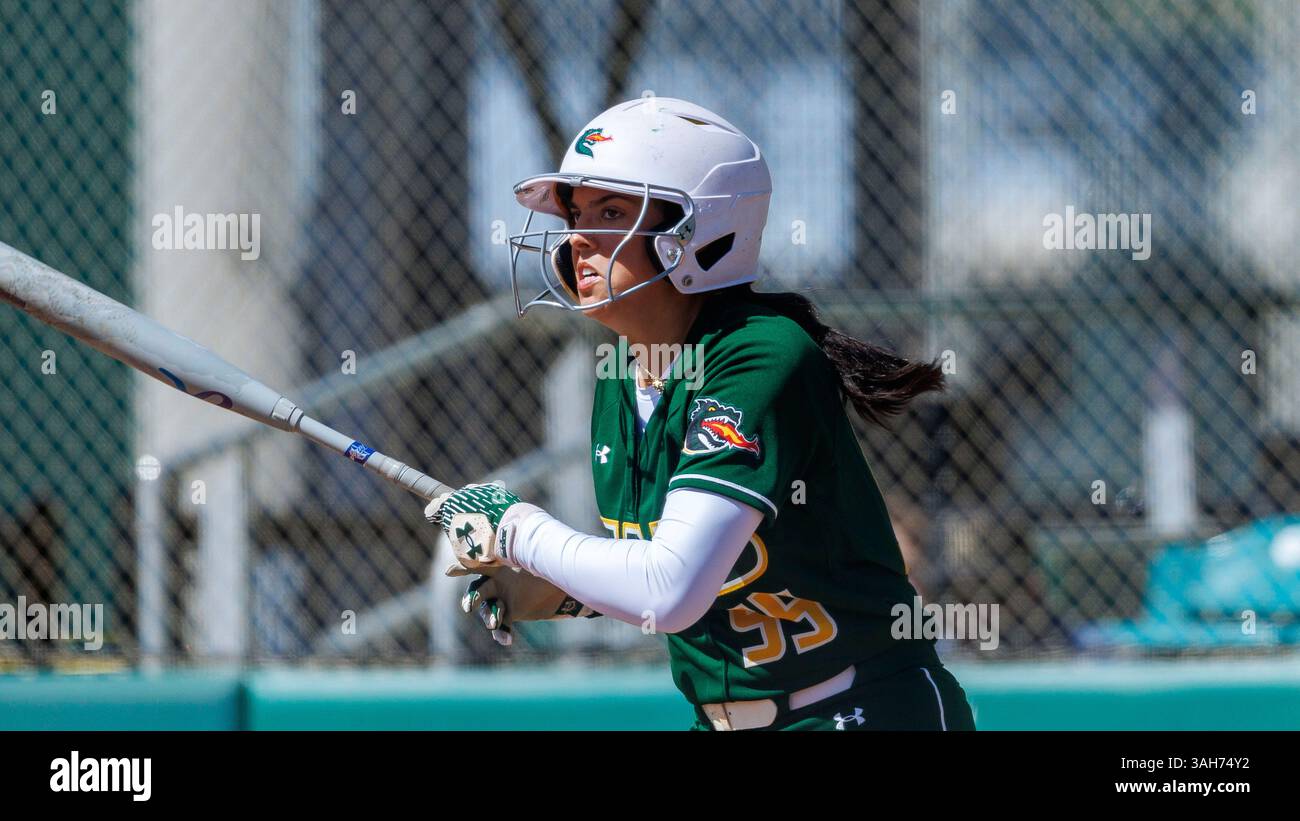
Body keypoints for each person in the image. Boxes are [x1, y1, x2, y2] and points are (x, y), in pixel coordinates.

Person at [427, 97, 975, 731]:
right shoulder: (622, 373)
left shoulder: (757, 352)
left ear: (699, 233)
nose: (577, 238)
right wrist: (566, 596)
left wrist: (516, 526)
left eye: (610, 212)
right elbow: (692, 569)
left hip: (857, 710)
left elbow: (671, 588)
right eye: (576, 215)